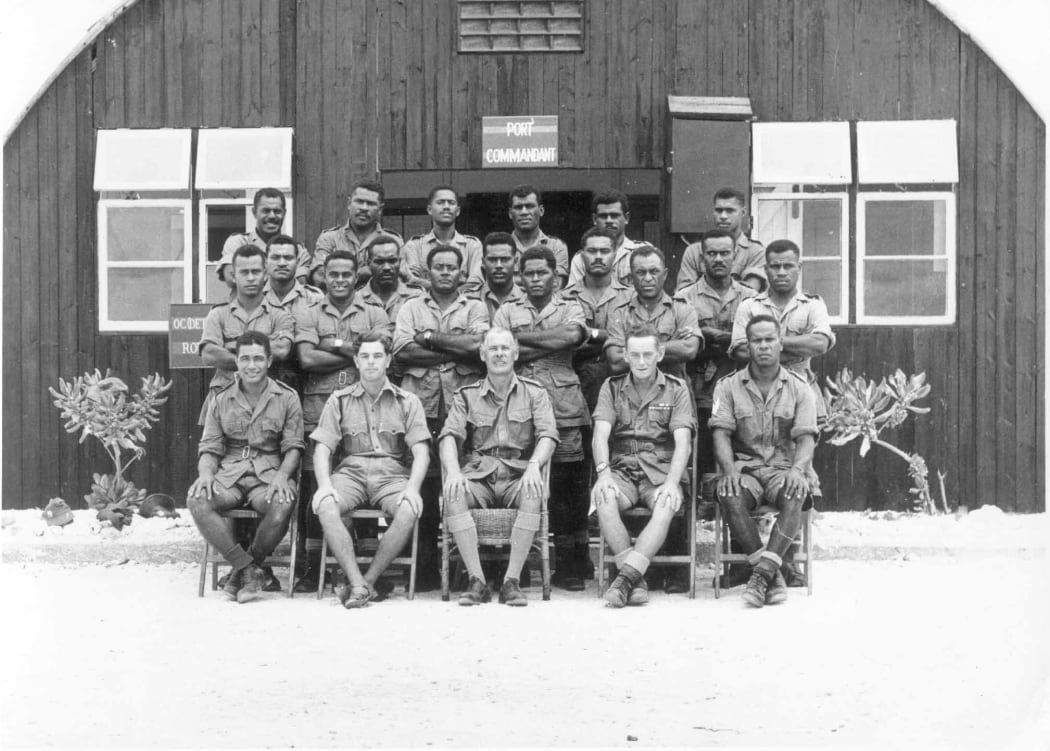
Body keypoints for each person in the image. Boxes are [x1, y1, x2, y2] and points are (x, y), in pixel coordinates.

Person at [292, 249, 392, 591]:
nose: (339, 280)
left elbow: (377, 352)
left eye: (346, 275)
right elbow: (306, 358)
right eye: (332, 274)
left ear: (356, 276)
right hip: (317, 409)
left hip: (364, 411)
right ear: (323, 275)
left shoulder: (375, 312)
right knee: (315, 487)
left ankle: (364, 564)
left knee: (361, 480)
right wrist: (352, 351)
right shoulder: (308, 312)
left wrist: (330, 344)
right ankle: (311, 566)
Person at [393, 245, 491, 589]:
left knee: (462, 483)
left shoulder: (476, 306)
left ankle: (467, 569)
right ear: (428, 272)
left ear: (462, 273)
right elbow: (403, 352)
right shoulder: (410, 307)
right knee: (424, 483)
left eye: (452, 267)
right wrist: (453, 348)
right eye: (439, 267)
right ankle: (424, 569)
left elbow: (479, 347)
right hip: (419, 406)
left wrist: (431, 340)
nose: (446, 272)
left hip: (464, 407)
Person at [439, 327, 558, 607]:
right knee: (454, 493)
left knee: (533, 491)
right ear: (482, 354)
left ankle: (510, 582)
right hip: (479, 474)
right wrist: (454, 472)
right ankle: (477, 581)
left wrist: (532, 466)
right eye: (493, 349)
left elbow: (548, 436)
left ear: (516, 353)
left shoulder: (534, 392)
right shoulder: (466, 395)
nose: (500, 354)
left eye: (505, 348)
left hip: (518, 472)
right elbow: (448, 437)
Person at [309, 332, 431, 607]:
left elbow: (421, 451)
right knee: (325, 505)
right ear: (356, 360)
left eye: (377, 356)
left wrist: (412, 488)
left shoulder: (408, 401)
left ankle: (369, 581)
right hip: (350, 473)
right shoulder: (338, 400)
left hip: (390, 475)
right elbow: (322, 448)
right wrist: (325, 485)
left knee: (409, 509)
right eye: (365, 356)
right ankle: (357, 583)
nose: (371, 362)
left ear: (388, 360)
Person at [494, 246, 590, 591]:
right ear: (520, 277)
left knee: (565, 485)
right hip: (518, 406)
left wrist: (519, 341)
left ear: (556, 276)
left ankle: (568, 564)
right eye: (529, 274)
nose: (535, 279)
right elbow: (500, 347)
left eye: (542, 273)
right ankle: (518, 565)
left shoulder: (571, 306)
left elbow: (572, 336)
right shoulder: (507, 309)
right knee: (521, 480)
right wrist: (549, 342)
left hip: (563, 404)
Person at [188, 331, 304, 603]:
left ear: (269, 361)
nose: (252, 365)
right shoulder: (220, 398)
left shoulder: (287, 397)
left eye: (258, 359)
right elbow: (210, 447)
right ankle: (247, 568)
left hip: (268, 473)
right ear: (236, 362)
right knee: (196, 499)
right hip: (230, 473)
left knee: (283, 501)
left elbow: (294, 447)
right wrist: (205, 474)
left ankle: (244, 569)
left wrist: (283, 477)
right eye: (245, 359)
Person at [710, 315, 818, 607]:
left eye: (770, 339)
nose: (764, 346)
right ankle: (771, 573)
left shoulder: (799, 388)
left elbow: (806, 436)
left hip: (783, 469)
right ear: (748, 346)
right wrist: (729, 469)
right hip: (746, 469)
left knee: (796, 490)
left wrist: (798, 469)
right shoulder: (728, 387)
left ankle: (761, 575)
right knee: (728, 490)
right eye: (757, 340)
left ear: (781, 343)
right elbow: (720, 434)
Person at [591, 324, 696, 608]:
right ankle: (635, 579)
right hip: (623, 467)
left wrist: (673, 482)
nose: (640, 362)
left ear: (659, 354)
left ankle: (625, 579)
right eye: (634, 355)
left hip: (660, 469)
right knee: (603, 498)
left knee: (666, 503)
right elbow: (600, 435)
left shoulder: (676, 389)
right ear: (625, 355)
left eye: (647, 354)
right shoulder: (611, 388)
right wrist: (603, 474)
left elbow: (683, 442)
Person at [199, 244, 294, 423]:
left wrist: (232, 345)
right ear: (234, 276)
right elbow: (209, 354)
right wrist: (259, 354)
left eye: (256, 272)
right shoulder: (218, 314)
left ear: (265, 274)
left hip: (267, 401)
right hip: (223, 398)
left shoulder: (280, 315)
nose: (251, 278)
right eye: (244, 272)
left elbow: (281, 350)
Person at [605, 245, 703, 381]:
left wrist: (635, 353)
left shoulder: (683, 309)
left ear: (665, 274)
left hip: (674, 392)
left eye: (654, 271)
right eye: (640, 272)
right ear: (632, 277)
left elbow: (689, 350)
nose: (648, 278)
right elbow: (616, 362)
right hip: (631, 393)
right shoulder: (620, 314)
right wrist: (671, 345)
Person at [262, 235, 324, 394]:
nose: (282, 263)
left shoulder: (315, 298)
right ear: (265, 262)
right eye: (275, 257)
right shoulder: (255, 299)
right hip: (263, 383)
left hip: (308, 383)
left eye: (288, 257)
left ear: (297, 262)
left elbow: (324, 342)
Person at [313, 179, 403, 288]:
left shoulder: (393, 241)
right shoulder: (329, 239)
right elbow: (319, 278)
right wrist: (369, 271)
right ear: (349, 203)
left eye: (370, 203)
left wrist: (341, 273)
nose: (364, 208)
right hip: (340, 303)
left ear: (380, 209)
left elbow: (400, 278)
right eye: (359, 201)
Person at [217, 188, 310, 290]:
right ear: (254, 212)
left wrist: (251, 275)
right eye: (266, 211)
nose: (272, 216)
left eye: (277, 211)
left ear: (284, 213)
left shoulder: (298, 251)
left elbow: (300, 287)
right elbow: (232, 279)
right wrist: (281, 279)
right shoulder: (239, 243)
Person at [677, 188, 766, 292]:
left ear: (743, 212)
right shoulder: (694, 252)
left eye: (730, 211)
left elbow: (749, 295)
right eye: (719, 210)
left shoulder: (756, 252)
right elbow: (684, 294)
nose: (723, 216)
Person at [400, 186, 483, 291]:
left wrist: (434, 286)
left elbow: (475, 282)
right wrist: (455, 285)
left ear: (458, 211)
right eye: (440, 202)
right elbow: (411, 281)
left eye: (451, 203)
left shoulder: (472, 245)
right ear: (429, 210)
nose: (446, 207)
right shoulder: (414, 246)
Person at [566, 190, 645, 286]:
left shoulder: (642, 252)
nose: (609, 221)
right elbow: (574, 296)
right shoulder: (581, 258)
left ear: (626, 218)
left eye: (614, 215)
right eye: (603, 216)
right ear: (594, 219)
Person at [508, 184, 569, 288]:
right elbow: (492, 284)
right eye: (518, 207)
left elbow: (556, 285)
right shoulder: (501, 248)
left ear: (541, 210)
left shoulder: (556, 246)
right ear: (510, 213)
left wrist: (510, 282)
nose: (524, 212)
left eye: (529, 206)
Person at [356, 234, 421, 322]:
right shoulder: (356, 300)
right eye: (379, 262)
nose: (386, 267)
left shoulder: (416, 297)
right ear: (368, 264)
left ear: (399, 262)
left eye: (392, 261)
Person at [469, 231, 526, 320]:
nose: (499, 265)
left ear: (515, 262)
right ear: (483, 263)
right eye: (492, 260)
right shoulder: (467, 299)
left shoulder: (528, 299)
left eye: (505, 259)